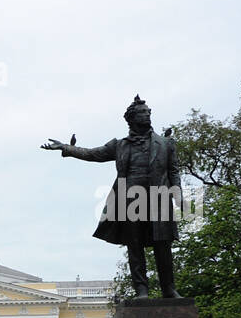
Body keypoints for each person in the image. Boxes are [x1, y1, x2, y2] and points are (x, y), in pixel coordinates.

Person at [43, 95, 183, 299]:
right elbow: (93, 154)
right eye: (142, 113)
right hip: (130, 199)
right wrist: (67, 148)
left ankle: (169, 289)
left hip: (158, 197)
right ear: (131, 119)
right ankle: (141, 290)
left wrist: (177, 191)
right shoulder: (120, 145)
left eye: (148, 112)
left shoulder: (166, 143)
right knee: (134, 246)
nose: (147, 115)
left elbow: (174, 170)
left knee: (163, 246)